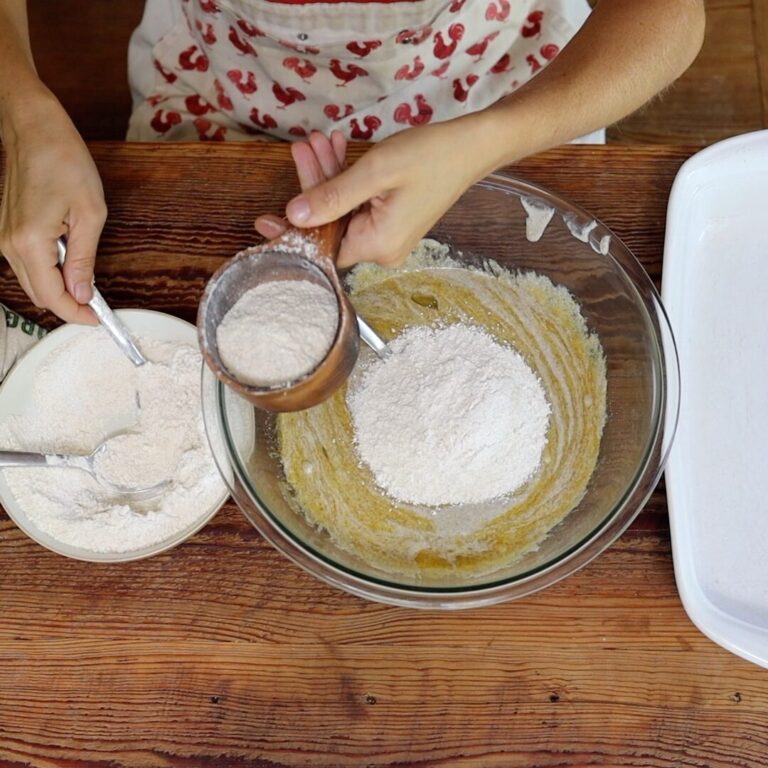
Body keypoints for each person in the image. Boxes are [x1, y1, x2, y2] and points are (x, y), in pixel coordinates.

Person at [0, 0, 705, 324]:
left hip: (497, 84)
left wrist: (483, 142)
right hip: (227, 77)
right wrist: (24, 112)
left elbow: (669, 17)